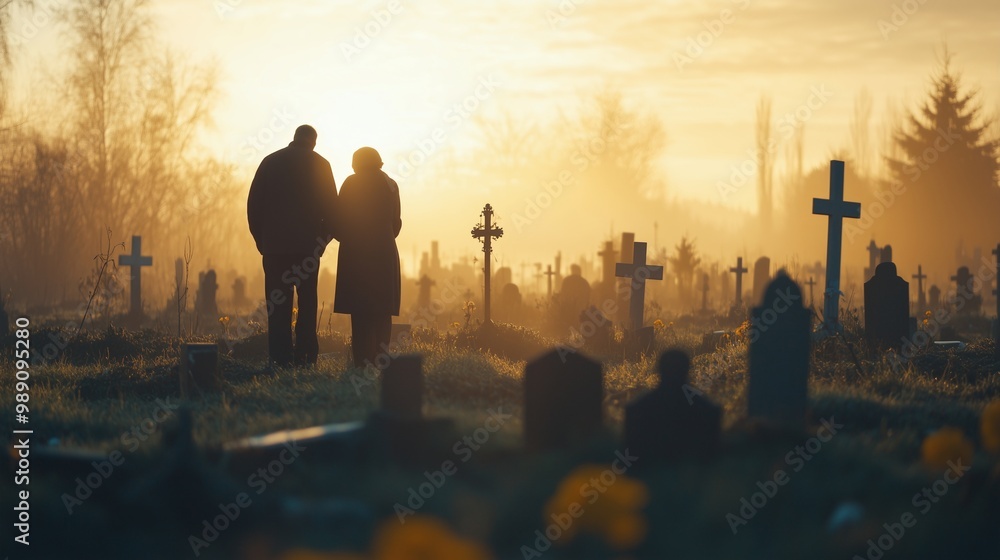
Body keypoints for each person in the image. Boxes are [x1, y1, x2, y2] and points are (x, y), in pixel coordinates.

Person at [247, 125, 338, 368]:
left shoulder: (270, 162)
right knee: (307, 304)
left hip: (275, 249)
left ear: (294, 138)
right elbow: (332, 211)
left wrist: (262, 241)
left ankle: (280, 358)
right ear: (313, 142)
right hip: (308, 249)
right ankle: (306, 358)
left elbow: (254, 206)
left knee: (277, 305)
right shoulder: (321, 165)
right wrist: (321, 242)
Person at [334, 147, 401, 368]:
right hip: (385, 252)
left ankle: (363, 361)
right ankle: (381, 360)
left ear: (358, 163)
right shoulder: (390, 184)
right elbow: (396, 223)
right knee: (382, 309)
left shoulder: (352, 183)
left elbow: (339, 218)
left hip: (357, 252)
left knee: (361, 309)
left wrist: (345, 236)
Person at [624, 349, 721, 462]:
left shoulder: (639, 408)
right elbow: (710, 454)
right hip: (690, 475)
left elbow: (631, 451)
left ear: (658, 370)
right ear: (688, 370)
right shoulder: (706, 409)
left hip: (652, 473)